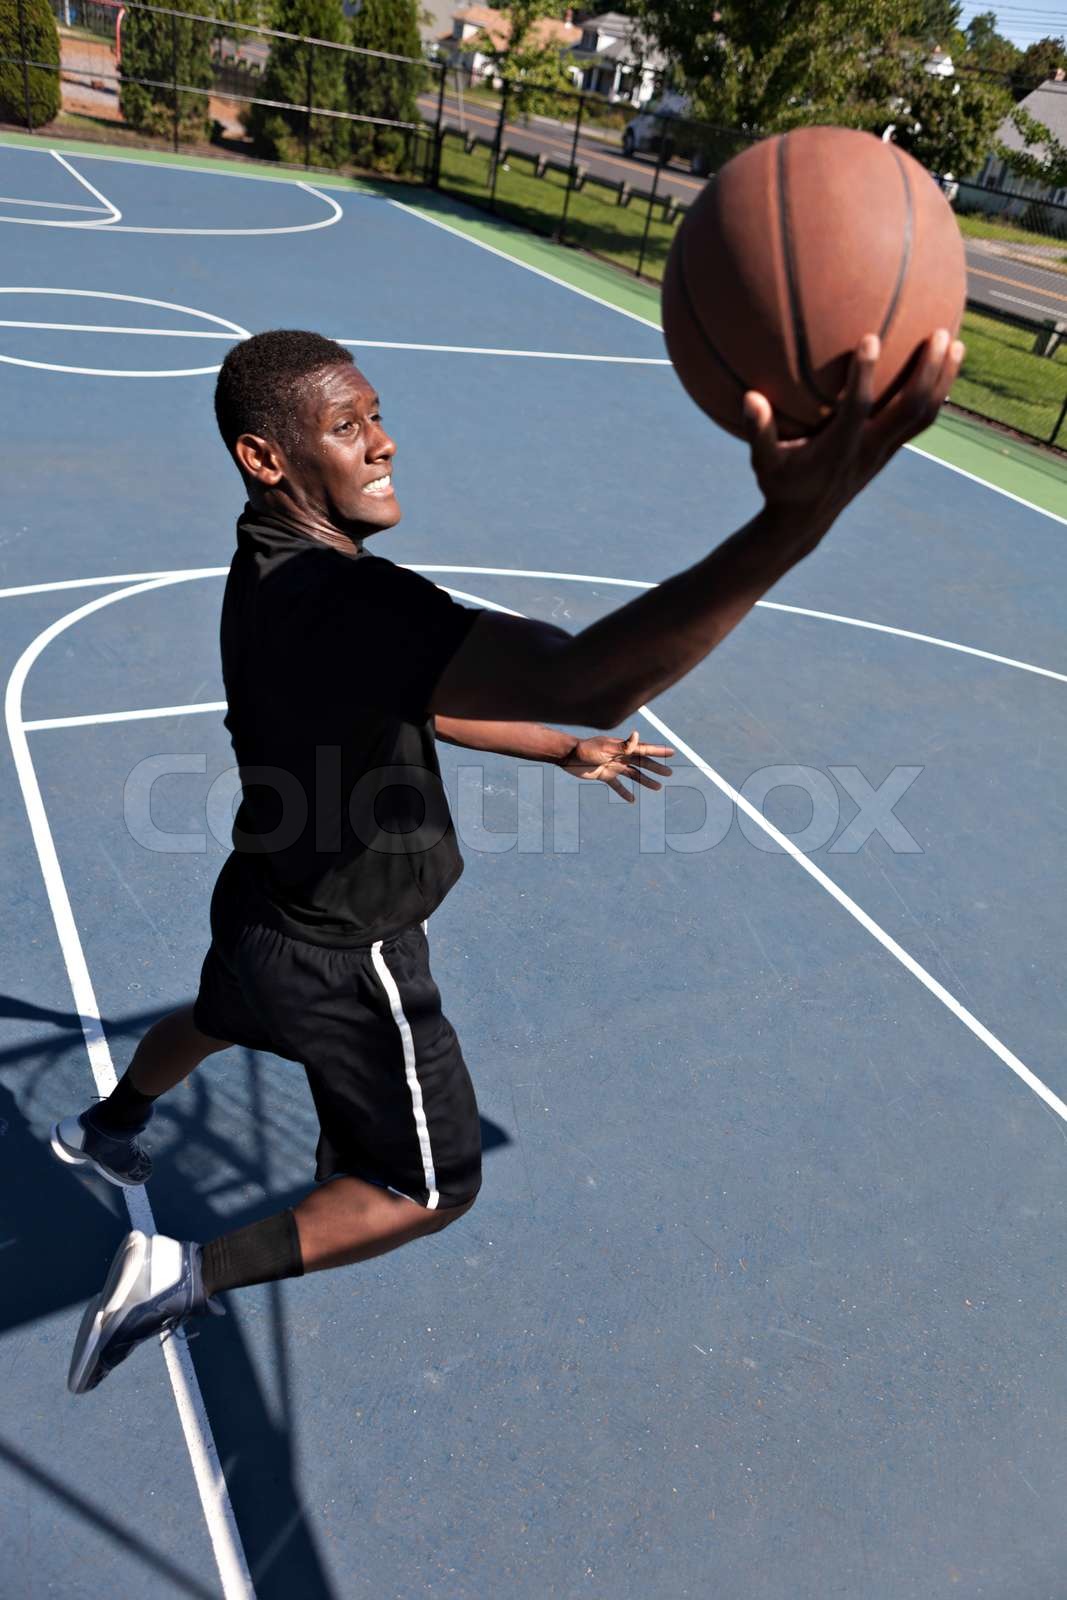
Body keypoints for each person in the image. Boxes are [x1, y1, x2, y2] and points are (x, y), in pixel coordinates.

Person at [52, 323, 962, 1394]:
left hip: (261, 899)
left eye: (376, 415)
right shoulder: (348, 599)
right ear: (264, 456)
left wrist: (557, 748)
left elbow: (425, 698)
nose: (382, 442)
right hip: (349, 951)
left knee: (218, 1014)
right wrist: (789, 525)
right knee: (423, 1187)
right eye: (344, 426)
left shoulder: (269, 566)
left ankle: (107, 1122)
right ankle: (180, 1271)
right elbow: (587, 678)